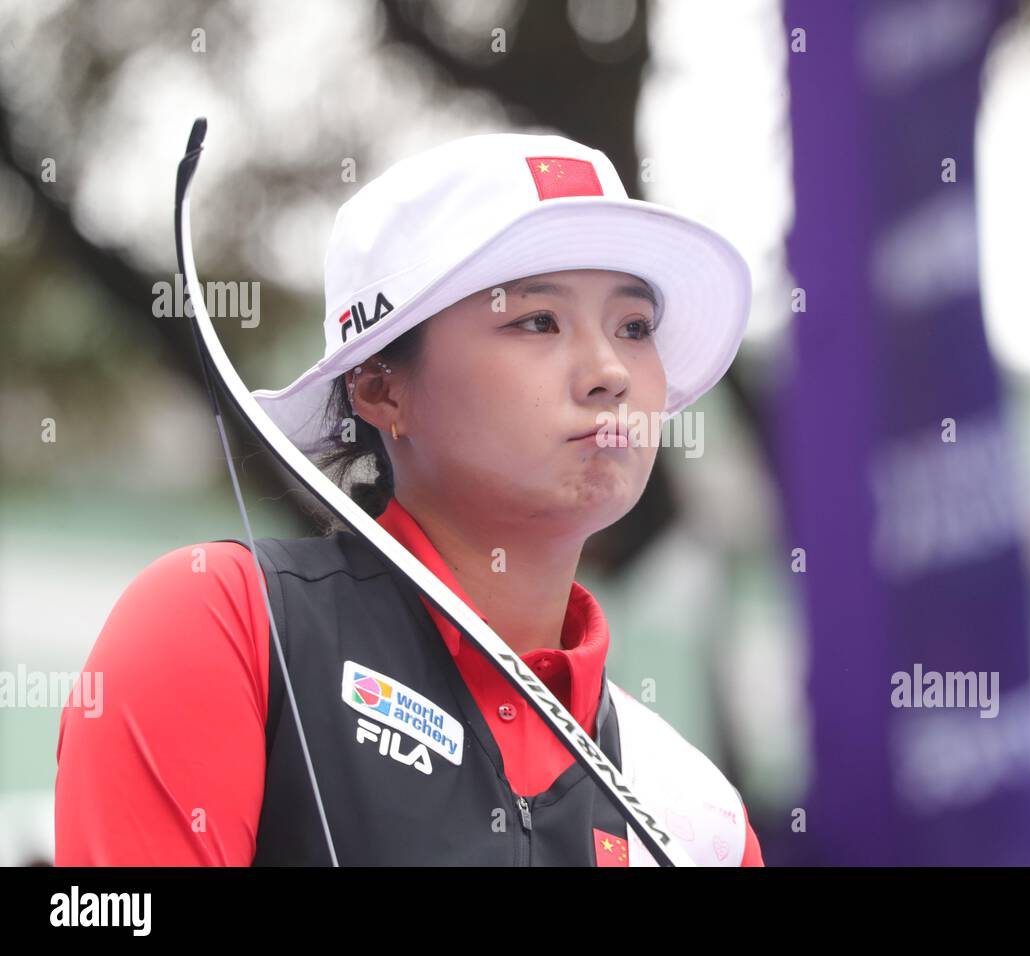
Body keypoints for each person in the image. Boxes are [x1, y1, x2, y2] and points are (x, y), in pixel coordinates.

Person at [54, 132, 760, 866]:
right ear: (383, 389)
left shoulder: (697, 815)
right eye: (536, 320)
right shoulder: (225, 622)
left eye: (635, 327)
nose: (611, 371)